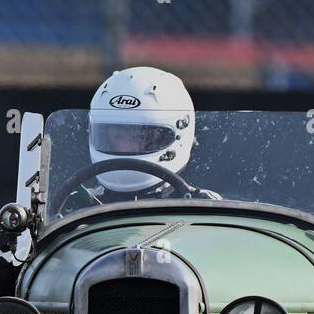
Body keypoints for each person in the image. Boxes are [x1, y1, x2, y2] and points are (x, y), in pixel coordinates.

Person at [56, 66, 217, 216]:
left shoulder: (204, 208)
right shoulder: (72, 208)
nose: (125, 146)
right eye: (117, 135)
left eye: (140, 137)